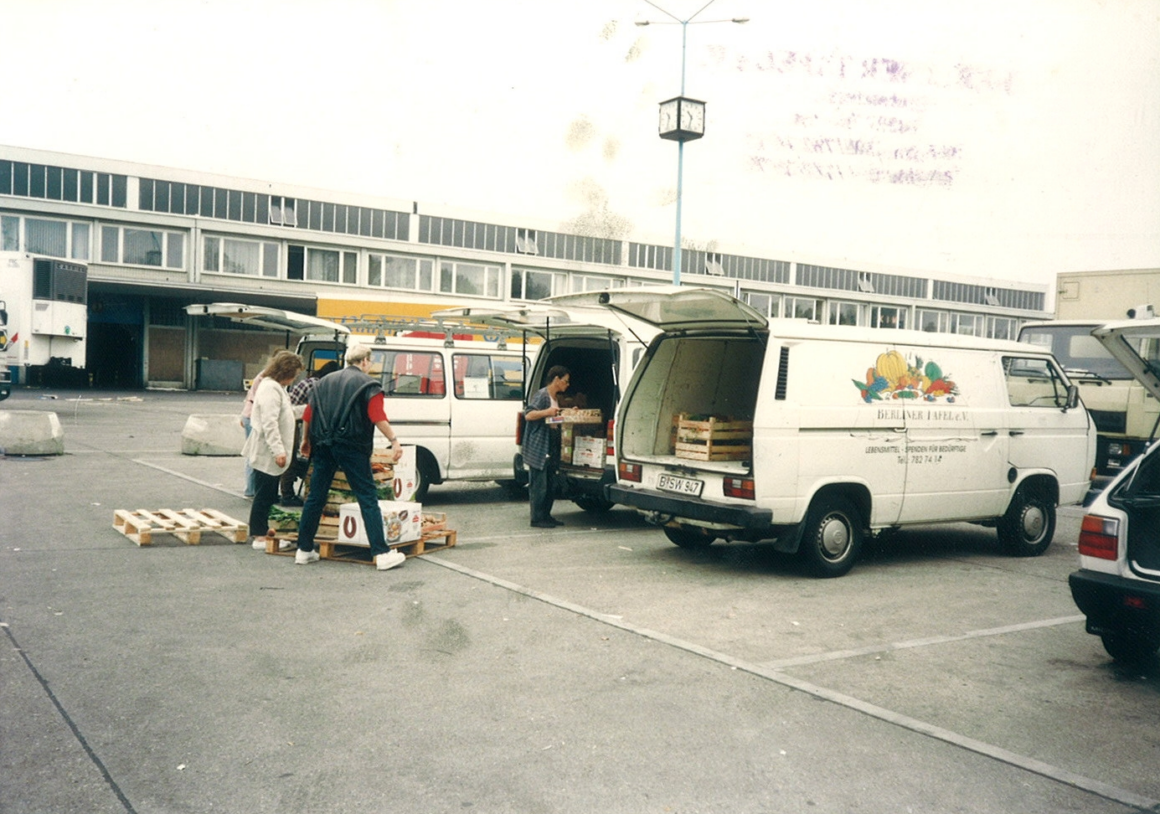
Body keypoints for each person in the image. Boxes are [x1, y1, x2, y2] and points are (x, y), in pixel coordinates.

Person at [294, 344, 405, 570]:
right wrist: (394, 440)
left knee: (316, 496)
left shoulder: (322, 382)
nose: (370, 366)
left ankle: (304, 550)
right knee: (366, 496)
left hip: (323, 443)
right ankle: (382, 554)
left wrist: (306, 441)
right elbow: (377, 416)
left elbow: (308, 413)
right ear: (364, 361)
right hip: (352, 445)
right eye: (370, 362)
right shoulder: (369, 385)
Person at [241, 350, 304, 550]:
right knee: (264, 493)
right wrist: (278, 450)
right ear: (286, 371)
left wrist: (305, 410)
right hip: (267, 451)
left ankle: (261, 528)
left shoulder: (276, 387)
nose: (295, 378)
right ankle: (258, 535)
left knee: (267, 492)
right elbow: (270, 422)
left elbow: (284, 413)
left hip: (270, 450)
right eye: (294, 373)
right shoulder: (270, 388)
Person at [278, 360, 340, 506]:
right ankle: (287, 495)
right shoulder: (316, 385)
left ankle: (290, 492)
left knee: (295, 458)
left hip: (295, 422)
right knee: (291, 459)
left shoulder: (312, 381)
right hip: (293, 422)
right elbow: (307, 410)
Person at [523, 365, 570, 529]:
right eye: (565, 381)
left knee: (550, 482)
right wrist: (548, 412)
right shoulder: (542, 395)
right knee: (539, 483)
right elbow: (529, 415)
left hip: (552, 441)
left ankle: (546, 515)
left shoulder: (555, 397)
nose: (567, 384)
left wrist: (568, 414)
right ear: (556, 380)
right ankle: (536, 518)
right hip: (540, 445)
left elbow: (553, 420)